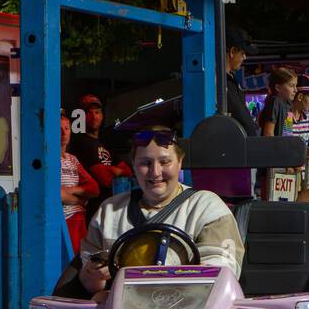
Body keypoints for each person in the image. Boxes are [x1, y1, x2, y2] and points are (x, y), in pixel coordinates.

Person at [75, 128, 244, 296]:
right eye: (145, 163)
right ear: (133, 165)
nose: (155, 172)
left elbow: (220, 274)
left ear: (180, 162)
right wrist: (94, 275)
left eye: (164, 162)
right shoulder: (110, 211)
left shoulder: (206, 207)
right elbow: (89, 282)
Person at [66, 93, 131, 210]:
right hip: (92, 208)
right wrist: (116, 171)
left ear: (102, 115)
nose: (94, 116)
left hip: (110, 206)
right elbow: (105, 179)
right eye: (88, 113)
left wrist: (115, 171)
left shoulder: (104, 144)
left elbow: (128, 171)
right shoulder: (81, 142)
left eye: (97, 112)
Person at [59, 112, 98, 253]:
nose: (63, 133)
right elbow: (57, 195)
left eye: (67, 129)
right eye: (59, 129)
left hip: (80, 219)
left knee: (84, 261)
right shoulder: (48, 159)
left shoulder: (72, 159)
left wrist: (71, 191)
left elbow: (94, 189)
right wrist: (81, 201)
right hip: (64, 220)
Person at [224, 27, 258, 136]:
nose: (245, 57)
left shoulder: (232, 80)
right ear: (232, 51)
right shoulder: (217, 81)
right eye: (243, 53)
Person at [258, 67, 298, 137]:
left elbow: (287, 133)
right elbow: (268, 134)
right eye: (291, 86)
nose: (295, 90)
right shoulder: (274, 102)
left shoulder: (289, 105)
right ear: (278, 88)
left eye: (296, 86)